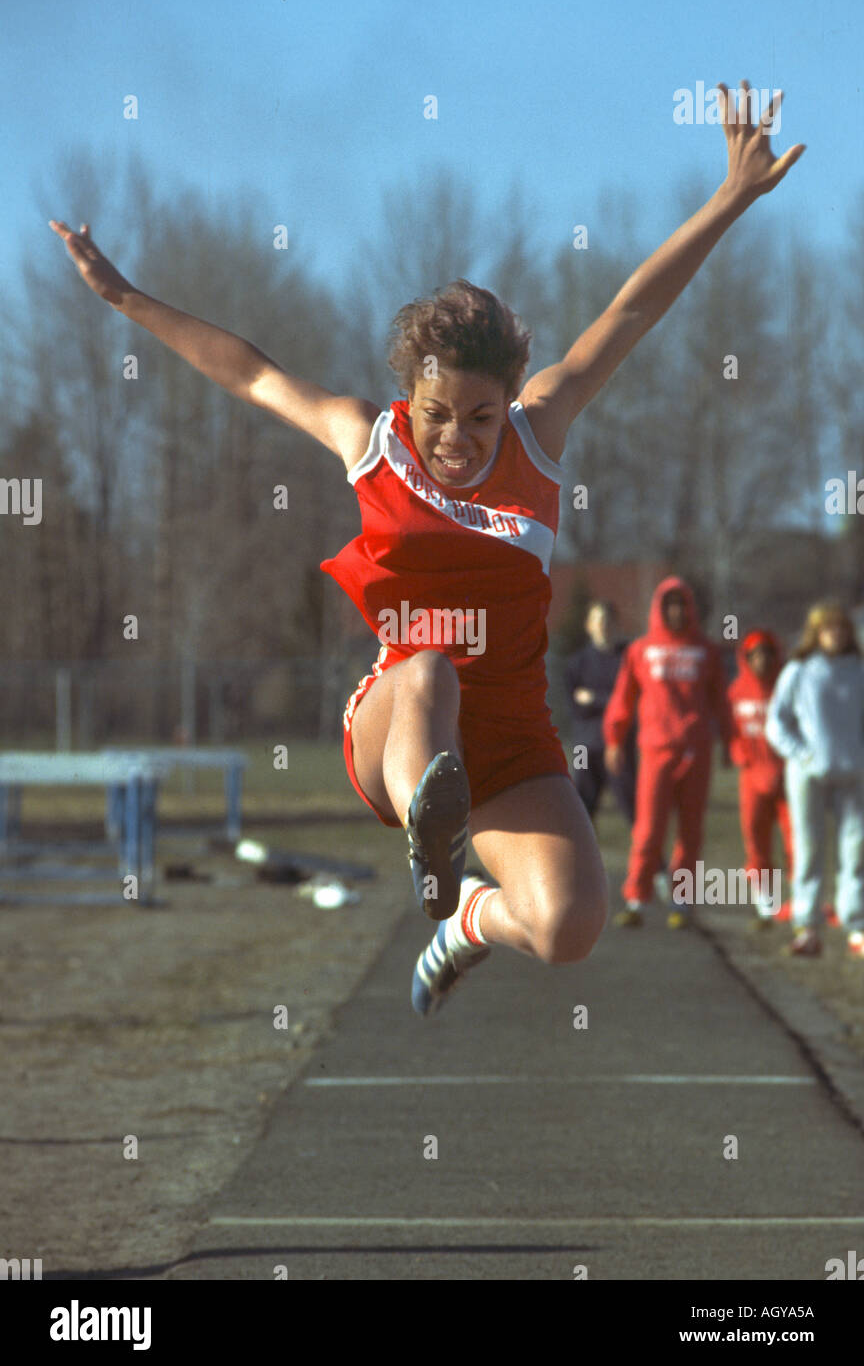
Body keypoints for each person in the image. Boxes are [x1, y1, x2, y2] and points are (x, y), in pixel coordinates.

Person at [50, 80, 803, 1013]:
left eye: (480, 417)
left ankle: (468, 918)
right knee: (431, 669)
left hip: (513, 736)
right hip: (400, 718)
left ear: (509, 399)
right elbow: (247, 371)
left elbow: (630, 314)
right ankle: (430, 831)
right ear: (413, 397)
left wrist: (730, 197)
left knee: (570, 930)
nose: (458, 440)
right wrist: (125, 298)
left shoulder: (540, 433)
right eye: (440, 415)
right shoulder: (367, 439)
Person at [603, 578, 734, 929]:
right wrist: (615, 739)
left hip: (697, 751)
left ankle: (682, 901)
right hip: (655, 751)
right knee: (648, 829)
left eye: (682, 604)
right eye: (669, 604)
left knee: (691, 830)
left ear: (690, 608)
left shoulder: (706, 650)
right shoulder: (641, 650)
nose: (676, 611)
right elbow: (623, 697)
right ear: (659, 609)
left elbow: (722, 701)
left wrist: (730, 741)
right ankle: (636, 899)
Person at [765, 602, 864, 959]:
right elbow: (776, 722)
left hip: (854, 773)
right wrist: (802, 754)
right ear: (816, 632)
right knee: (808, 848)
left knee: (855, 850)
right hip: (808, 774)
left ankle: (857, 926)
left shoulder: (859, 670)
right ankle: (807, 926)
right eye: (828, 628)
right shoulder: (799, 670)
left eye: (841, 628)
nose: (835, 634)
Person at [728, 629, 794, 924]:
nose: (762, 662)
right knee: (756, 839)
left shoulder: (787, 688)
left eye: (768, 654)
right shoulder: (736, 691)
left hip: (787, 777)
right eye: (755, 656)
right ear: (746, 658)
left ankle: (799, 897)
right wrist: (739, 754)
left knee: (796, 839)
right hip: (752, 777)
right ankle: (765, 900)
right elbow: (728, 730)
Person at [564, 600, 637, 823]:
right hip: (585, 747)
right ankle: (580, 858)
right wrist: (613, 700)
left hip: (619, 746)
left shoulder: (629, 658)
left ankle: (652, 859)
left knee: (635, 811)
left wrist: (594, 698)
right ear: (588, 625)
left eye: (607, 620)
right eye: (597, 620)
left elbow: (631, 702)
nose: (603, 626)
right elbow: (576, 707)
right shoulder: (576, 664)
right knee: (582, 812)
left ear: (616, 623)